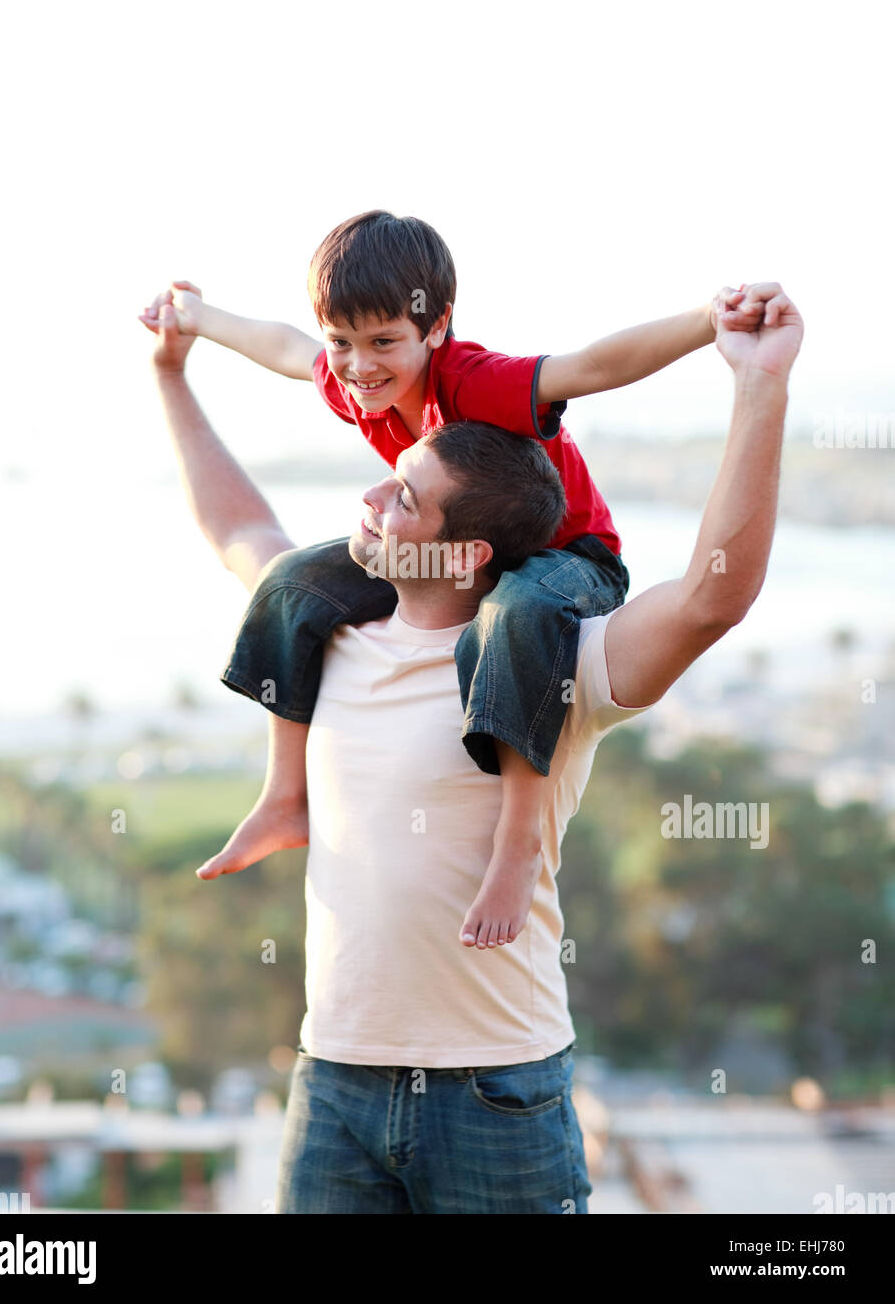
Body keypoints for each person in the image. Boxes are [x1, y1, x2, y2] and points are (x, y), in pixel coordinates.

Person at [146, 277, 803, 1213]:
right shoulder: (328, 630)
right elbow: (238, 528)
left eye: (405, 495)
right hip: (333, 1083)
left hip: (497, 1093)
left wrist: (759, 384)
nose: (371, 495)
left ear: (462, 556)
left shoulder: (559, 663)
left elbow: (712, 596)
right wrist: (175, 370)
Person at [139, 210, 762, 951]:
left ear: (435, 328)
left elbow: (593, 367)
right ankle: (283, 795)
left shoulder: (473, 380)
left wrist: (708, 320)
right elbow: (284, 346)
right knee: (292, 580)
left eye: (382, 343)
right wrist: (198, 319)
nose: (359, 366)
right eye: (343, 342)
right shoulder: (353, 381)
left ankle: (518, 839)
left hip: (566, 560)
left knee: (514, 613)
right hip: (452, 551)